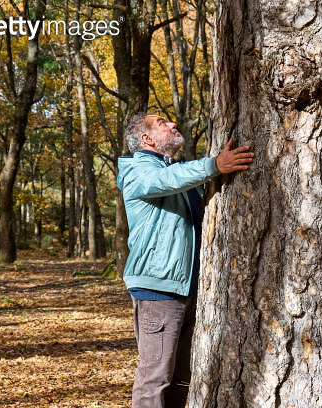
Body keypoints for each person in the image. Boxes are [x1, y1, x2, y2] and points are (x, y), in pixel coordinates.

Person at [116, 112, 254, 408]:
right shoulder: (138, 170)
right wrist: (214, 165)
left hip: (189, 289)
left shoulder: (179, 172)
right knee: (155, 377)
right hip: (159, 290)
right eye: (162, 123)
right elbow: (164, 180)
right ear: (147, 139)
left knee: (182, 377)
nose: (173, 124)